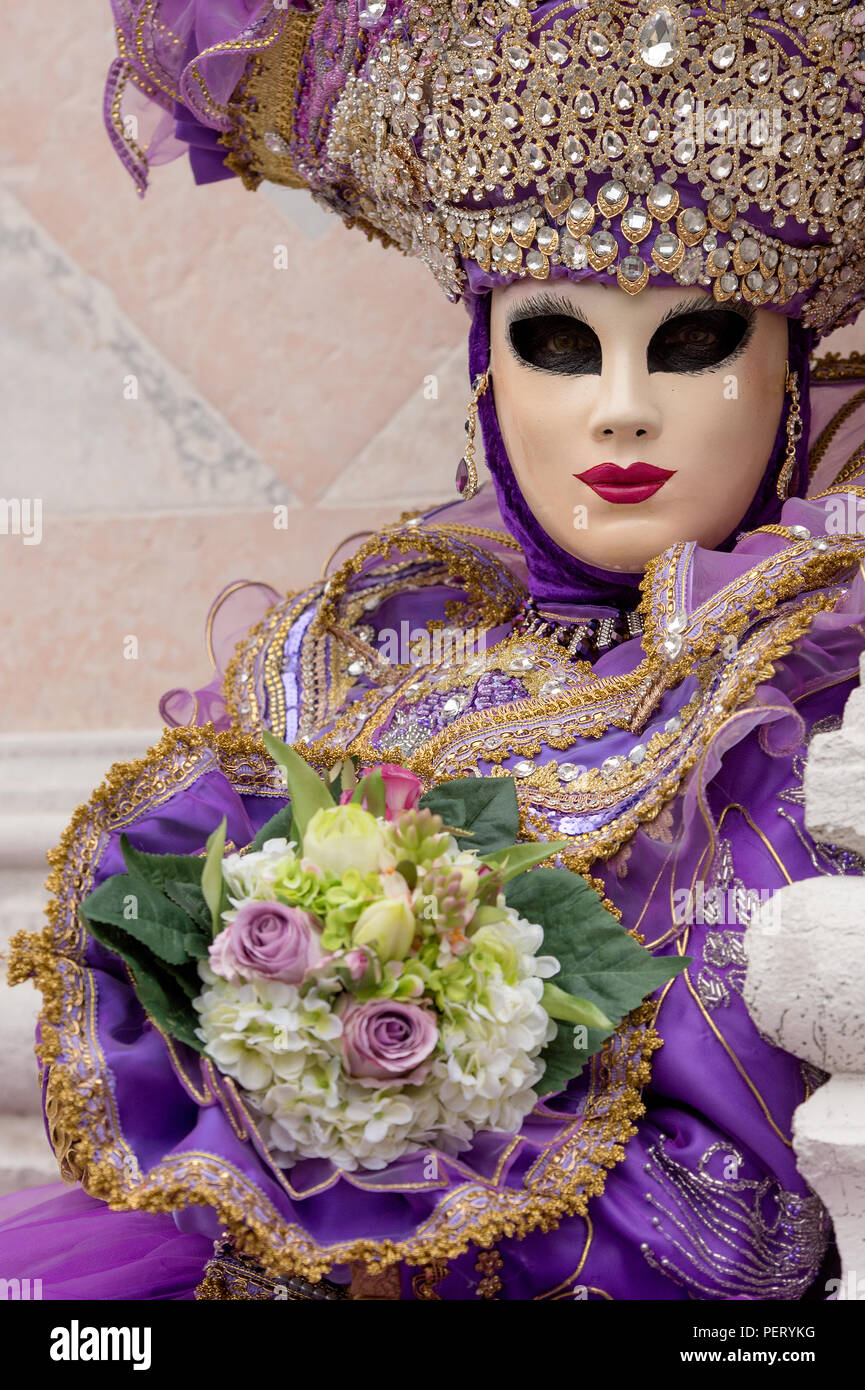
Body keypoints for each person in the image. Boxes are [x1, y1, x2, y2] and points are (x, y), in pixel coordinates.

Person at [2, 0, 865, 1300]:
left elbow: (760, 1226)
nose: (621, 407)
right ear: (483, 362)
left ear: (790, 369)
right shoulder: (359, 653)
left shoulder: (815, 697)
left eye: (691, 342)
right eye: (555, 341)